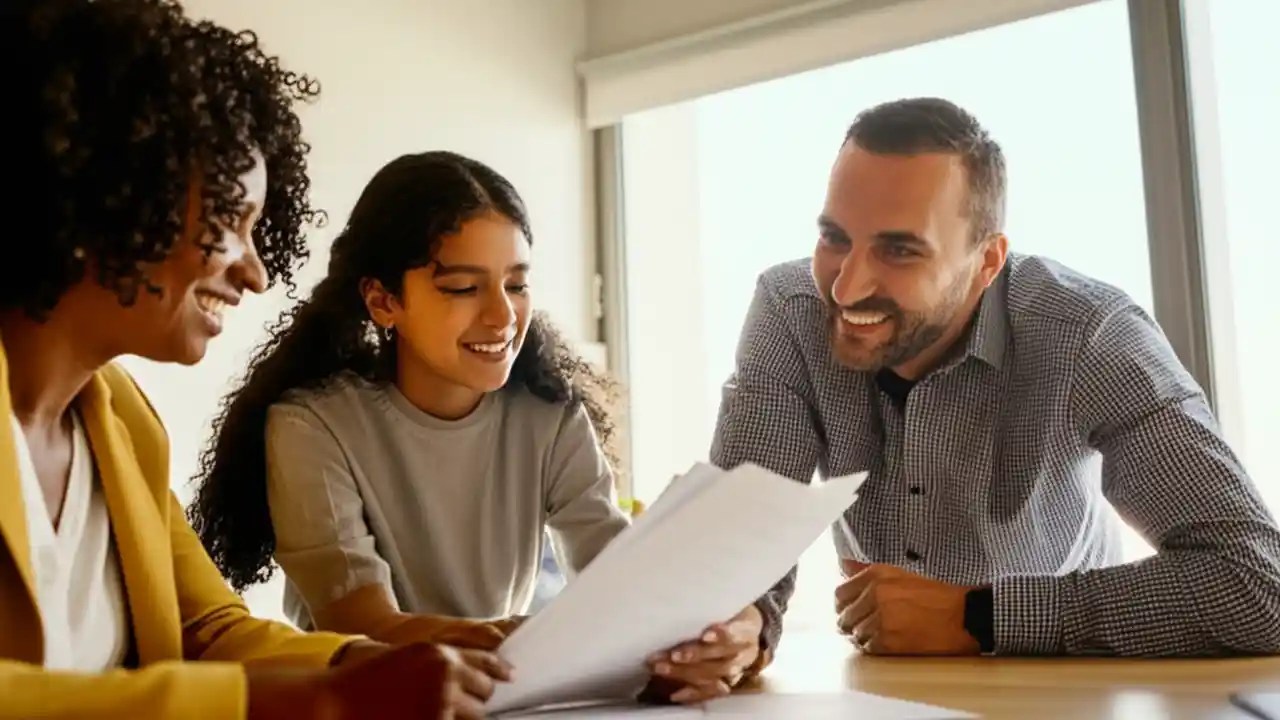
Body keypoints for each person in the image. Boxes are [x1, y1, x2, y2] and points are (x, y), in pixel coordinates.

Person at [648, 96, 1280, 699]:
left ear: (987, 261)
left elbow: (1260, 585)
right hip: (883, 694)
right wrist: (739, 629)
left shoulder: (1089, 333)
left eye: (899, 249)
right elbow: (738, 548)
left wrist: (982, 616)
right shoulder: (790, 313)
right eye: (835, 237)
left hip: (1063, 693)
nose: (845, 287)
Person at [1, 1, 508, 717]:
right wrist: (321, 698)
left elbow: (209, 631)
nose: (256, 272)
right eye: (231, 224)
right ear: (111, 194)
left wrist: (395, 664)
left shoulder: (120, 423)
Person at [188, 151, 631, 651]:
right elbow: (361, 625)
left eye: (517, 284)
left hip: (500, 692)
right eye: (463, 287)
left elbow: (622, 579)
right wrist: (532, 640)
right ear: (383, 301)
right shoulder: (311, 425)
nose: (503, 315)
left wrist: (698, 639)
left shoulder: (551, 417)